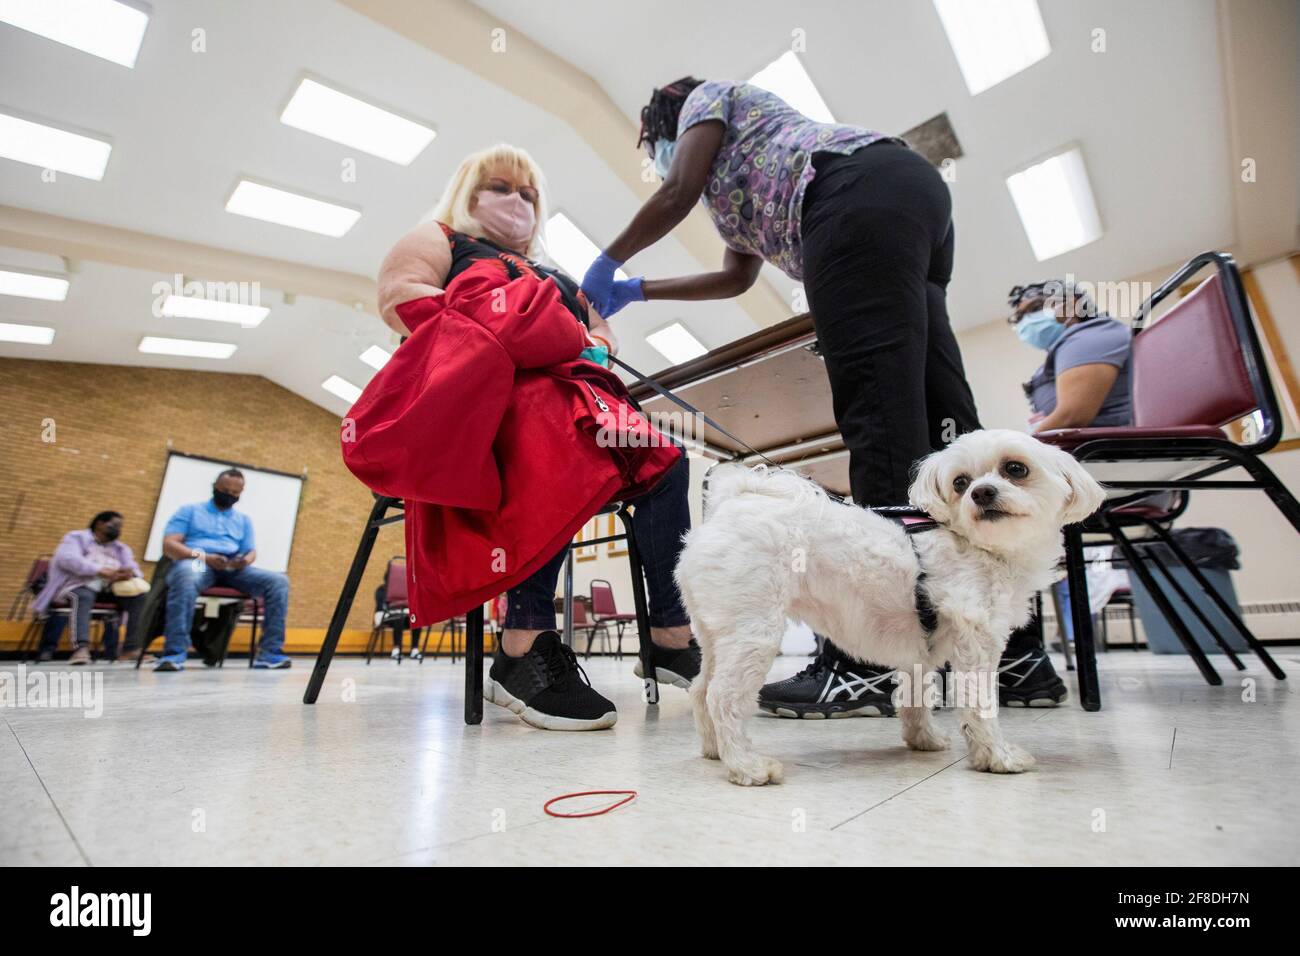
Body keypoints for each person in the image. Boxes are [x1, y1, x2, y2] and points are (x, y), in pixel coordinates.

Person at [578, 76, 994, 717]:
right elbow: (732, 277)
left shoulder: (704, 99)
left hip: (849, 199)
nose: (661, 153)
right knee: (947, 422)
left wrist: (607, 261)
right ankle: (1004, 655)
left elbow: (676, 189)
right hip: (911, 196)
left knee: (882, 418)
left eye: (655, 143)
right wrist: (639, 290)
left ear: (666, 126)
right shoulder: (739, 188)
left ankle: (869, 665)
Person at [365, 144, 698, 731]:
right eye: (500, 188)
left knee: (666, 459)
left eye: (528, 194)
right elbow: (402, 298)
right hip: (485, 401)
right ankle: (523, 645)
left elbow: (601, 337)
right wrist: (510, 332)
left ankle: (669, 636)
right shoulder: (442, 238)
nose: (516, 201)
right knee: (551, 434)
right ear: (468, 193)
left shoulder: (561, 275)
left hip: (573, 395)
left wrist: (581, 339)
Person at [154, 468, 290, 672]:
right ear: (215, 487)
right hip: (198, 559)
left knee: (278, 581)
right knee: (186, 576)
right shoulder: (189, 511)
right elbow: (170, 545)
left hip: (232, 567)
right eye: (226, 490)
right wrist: (205, 557)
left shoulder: (243, 520)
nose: (230, 496)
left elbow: (250, 551)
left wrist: (244, 561)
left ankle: (270, 653)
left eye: (236, 493)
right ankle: (174, 654)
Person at [1009, 279, 1132, 430]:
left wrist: (1025, 444)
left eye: (1036, 307)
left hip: (1110, 447)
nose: (1027, 321)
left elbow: (1071, 417)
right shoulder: (1060, 354)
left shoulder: (1090, 336)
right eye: (1020, 317)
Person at [31, 511, 146, 664]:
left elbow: (134, 568)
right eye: (114, 525)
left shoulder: (120, 548)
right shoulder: (76, 538)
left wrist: (129, 574)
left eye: (120, 527)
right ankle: (81, 649)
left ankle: (130, 649)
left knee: (140, 597)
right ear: (99, 523)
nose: (118, 529)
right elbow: (68, 559)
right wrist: (100, 570)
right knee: (83, 596)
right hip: (76, 586)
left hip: (108, 589)